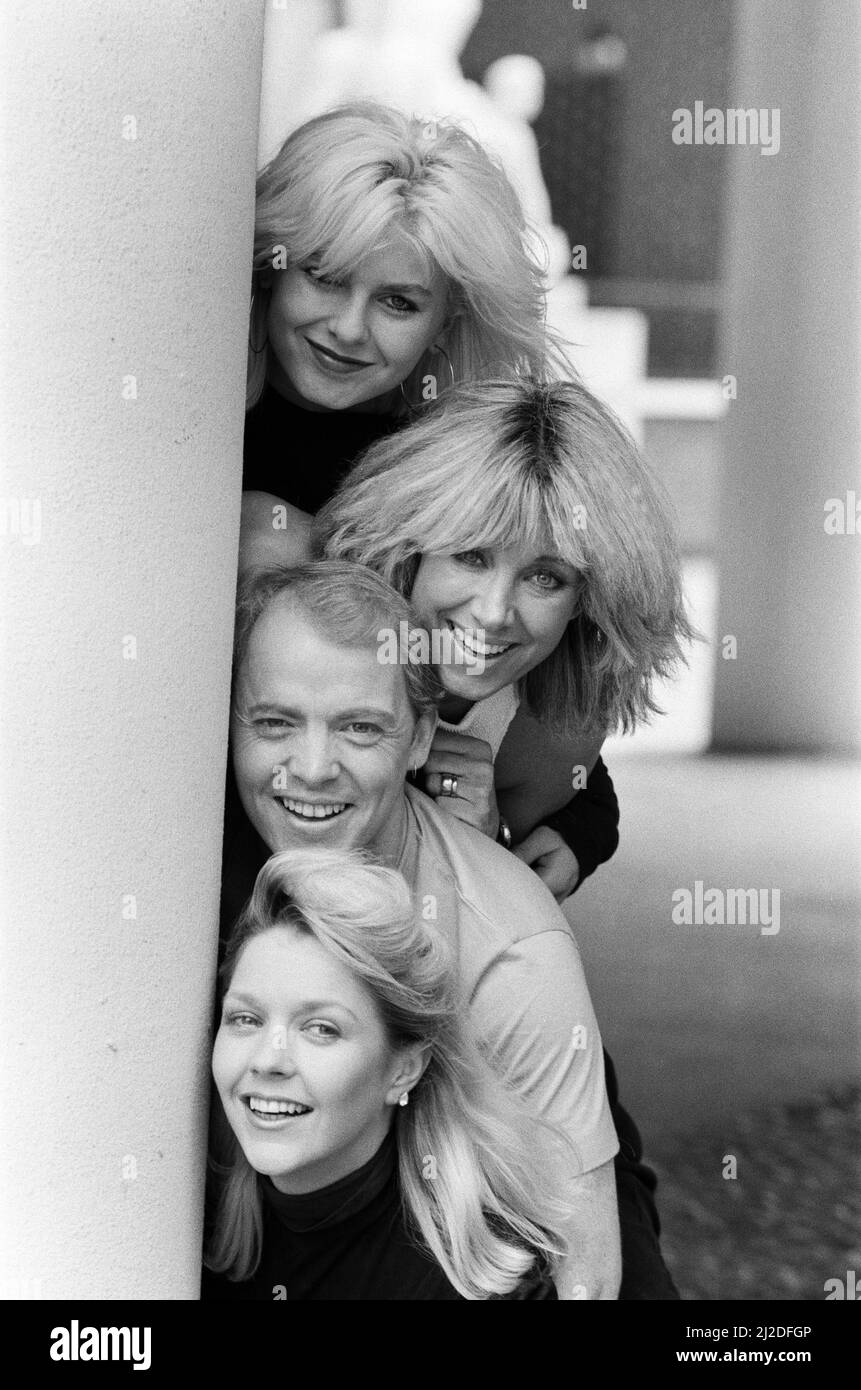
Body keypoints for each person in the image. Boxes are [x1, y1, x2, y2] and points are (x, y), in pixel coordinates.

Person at [222, 560, 622, 1299]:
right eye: (275, 723)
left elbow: (585, 1272)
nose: (310, 769)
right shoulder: (182, 870)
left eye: (360, 728)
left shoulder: (509, 946)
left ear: (418, 741)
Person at [203, 846, 571, 1300]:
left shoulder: (477, 1288)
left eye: (321, 1028)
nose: (267, 1059)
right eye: (246, 1019)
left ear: (404, 1069)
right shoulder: (198, 1221)